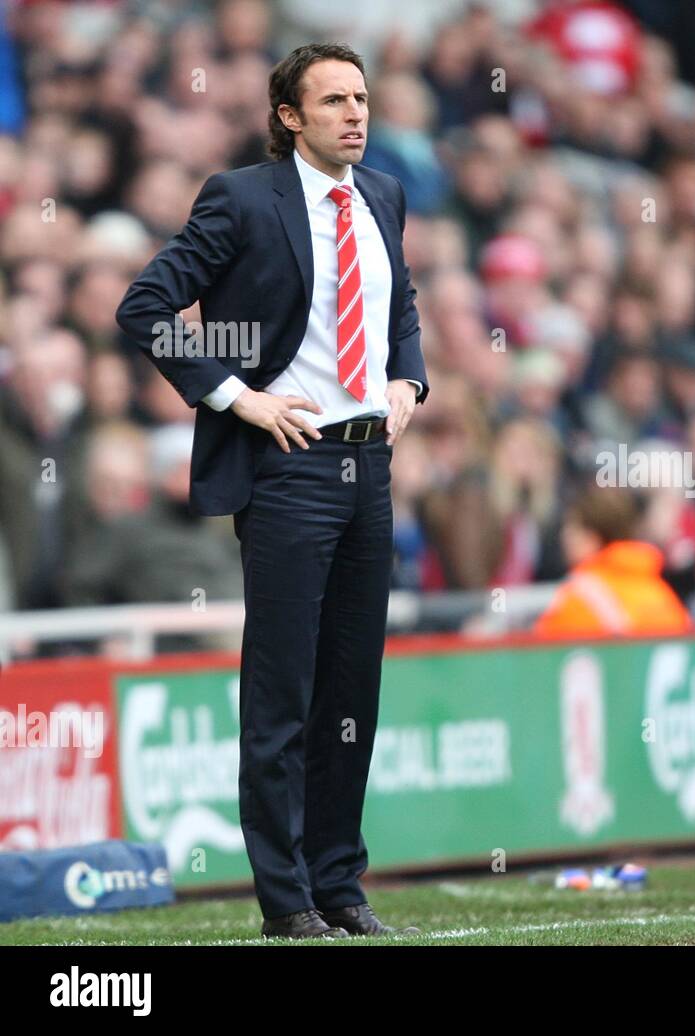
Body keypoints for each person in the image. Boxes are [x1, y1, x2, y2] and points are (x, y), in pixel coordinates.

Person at [115, 43, 427, 940]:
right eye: (334, 101)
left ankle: (340, 886)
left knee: (351, 695)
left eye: (362, 98)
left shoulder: (385, 196)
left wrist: (409, 380)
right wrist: (238, 397)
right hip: (290, 468)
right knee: (283, 695)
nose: (356, 115)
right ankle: (285, 901)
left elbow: (399, 305)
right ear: (288, 115)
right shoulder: (242, 197)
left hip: (371, 469)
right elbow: (145, 307)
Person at [534, 486, 690, 637]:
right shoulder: (660, 592)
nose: (565, 537)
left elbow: (542, 653)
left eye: (572, 528)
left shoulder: (579, 597)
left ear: (592, 537)